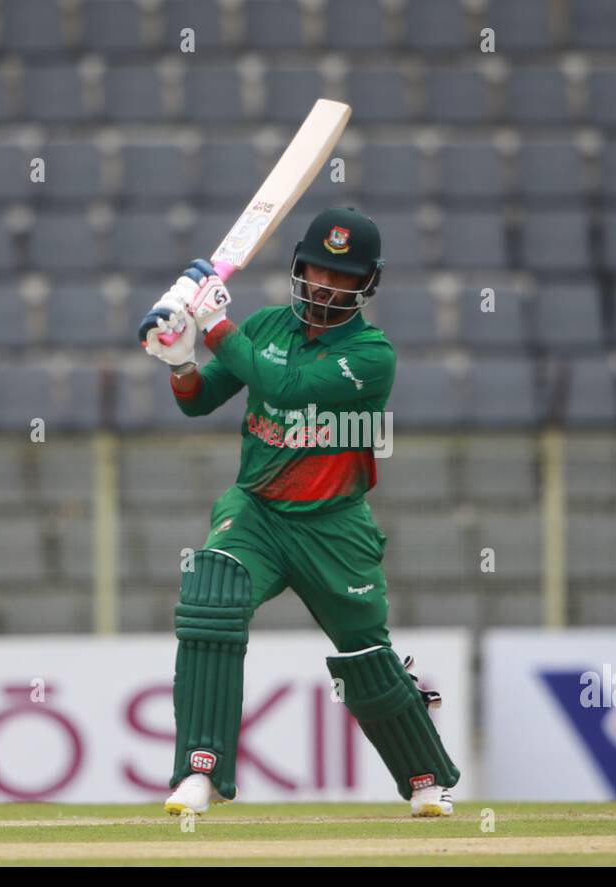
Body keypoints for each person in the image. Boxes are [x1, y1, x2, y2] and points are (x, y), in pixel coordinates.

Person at [139, 206, 460, 816]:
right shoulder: (265, 326)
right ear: (299, 267)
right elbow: (200, 402)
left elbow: (286, 388)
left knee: (366, 656)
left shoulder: (371, 355)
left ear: (368, 283)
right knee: (211, 596)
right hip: (257, 512)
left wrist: (212, 324)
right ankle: (198, 774)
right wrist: (180, 360)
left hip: (333, 523)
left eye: (342, 277)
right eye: (317, 270)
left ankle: (424, 779)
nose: (325, 285)